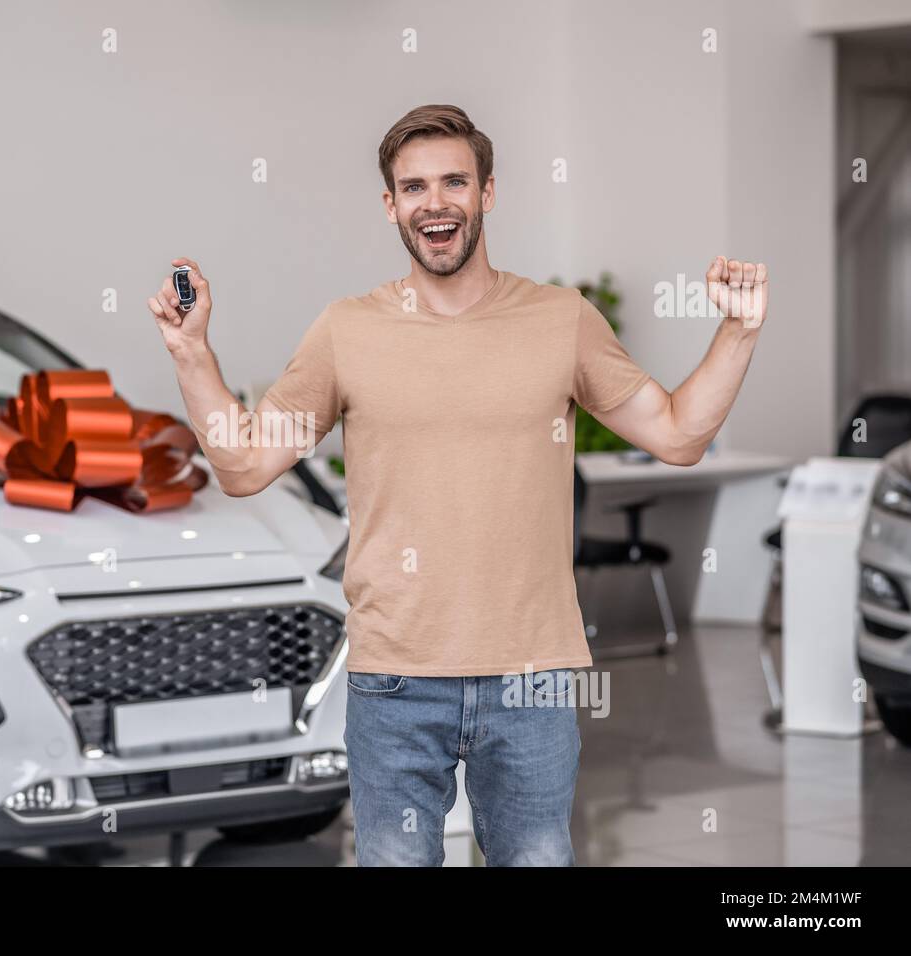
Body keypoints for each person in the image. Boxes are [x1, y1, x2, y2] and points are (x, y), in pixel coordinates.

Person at [147, 103, 768, 866]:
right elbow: (243, 466)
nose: (434, 203)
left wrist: (737, 332)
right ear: (390, 206)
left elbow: (677, 435)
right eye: (413, 188)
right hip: (396, 679)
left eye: (453, 182)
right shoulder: (348, 331)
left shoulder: (560, 319)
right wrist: (190, 353)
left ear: (487, 193)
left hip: (533, 677)